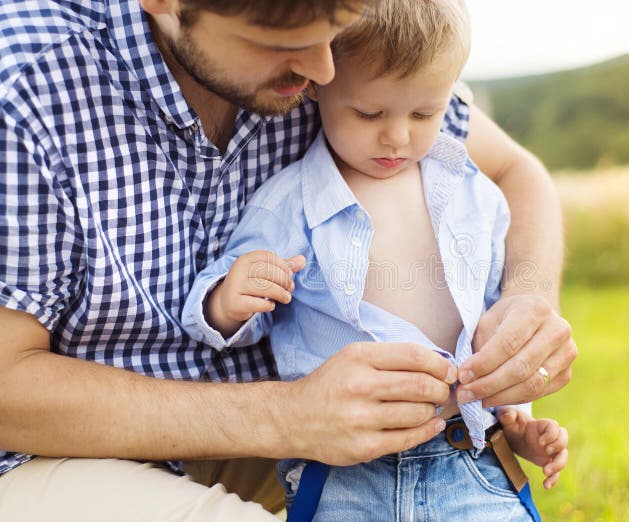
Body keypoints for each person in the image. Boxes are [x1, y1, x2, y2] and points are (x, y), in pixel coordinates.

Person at [0, 0, 576, 519]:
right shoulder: (27, 83)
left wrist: (530, 297)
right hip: (51, 453)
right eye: (283, 40)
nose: (325, 70)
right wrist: (286, 415)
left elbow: (515, 171)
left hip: (280, 445)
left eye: (335, 28)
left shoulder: (338, 70)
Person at [182, 1, 567, 520]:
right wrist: (227, 301)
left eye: (424, 114)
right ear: (316, 85)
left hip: (469, 458)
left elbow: (496, 317)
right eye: (368, 114)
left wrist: (515, 417)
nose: (397, 137)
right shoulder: (289, 202)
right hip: (345, 472)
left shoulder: (471, 191)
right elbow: (224, 307)